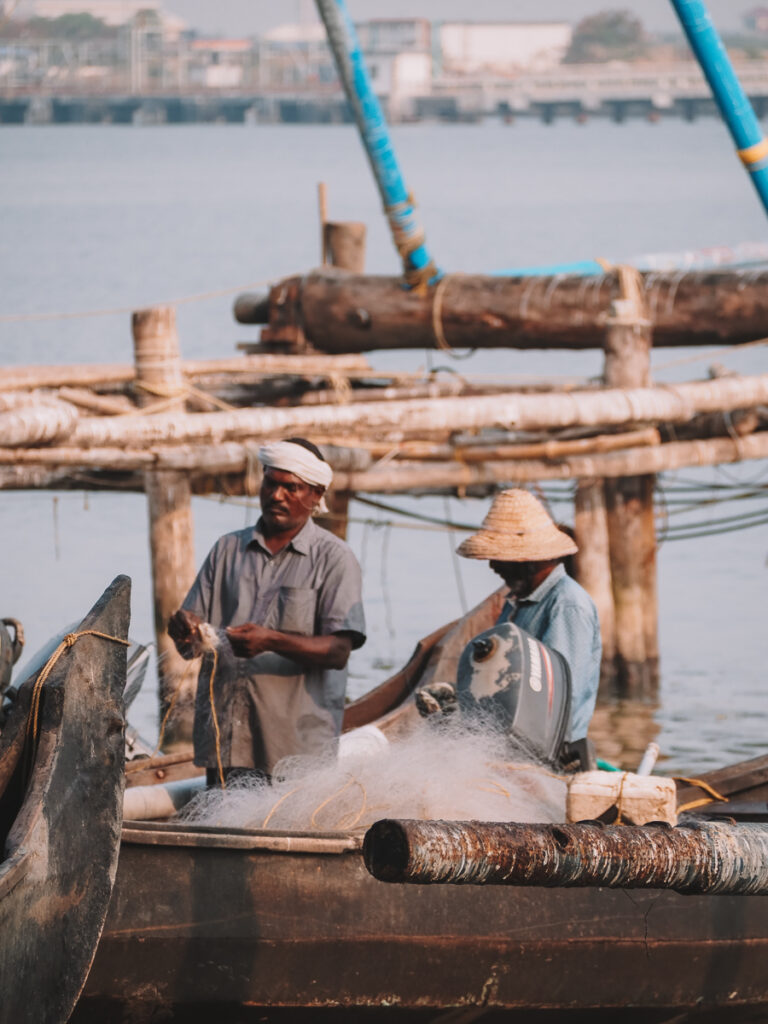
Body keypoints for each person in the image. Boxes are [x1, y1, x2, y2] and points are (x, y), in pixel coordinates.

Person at [168, 437, 366, 784]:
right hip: (227, 740)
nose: (277, 495)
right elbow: (190, 644)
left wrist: (272, 641)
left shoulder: (335, 559)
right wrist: (183, 629)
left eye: (292, 487)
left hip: (295, 749)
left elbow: (338, 651)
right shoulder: (227, 549)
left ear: (316, 495)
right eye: (271, 483)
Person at [456, 488, 601, 743]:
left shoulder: (567, 605)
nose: (493, 566)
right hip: (511, 741)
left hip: (550, 751)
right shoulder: (518, 602)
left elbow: (559, 699)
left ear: (530, 560)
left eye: (500, 558)